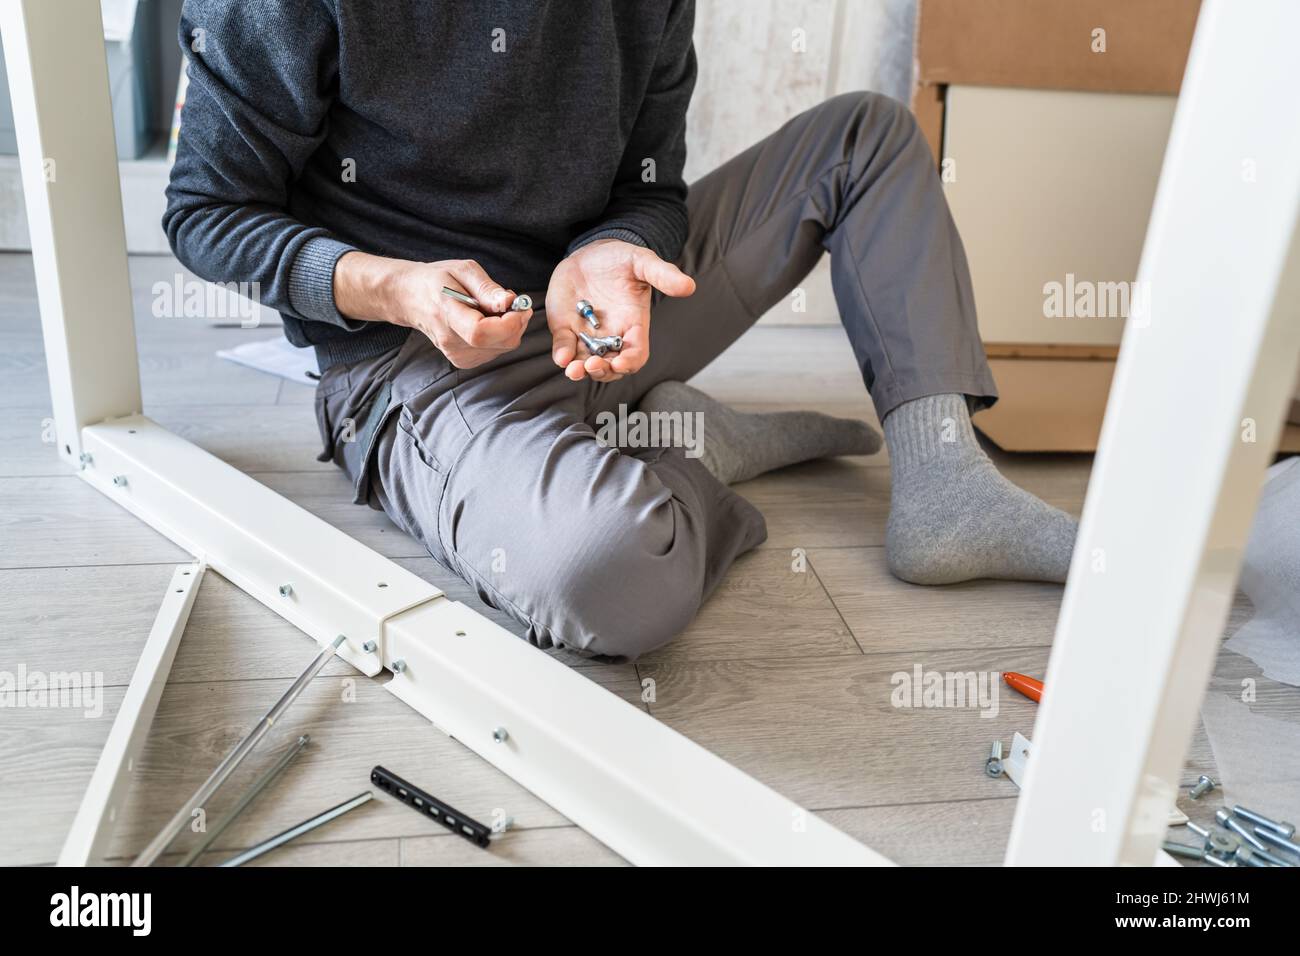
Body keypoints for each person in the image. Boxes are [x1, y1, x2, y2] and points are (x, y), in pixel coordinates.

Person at [165, 0, 1077, 660]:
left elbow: (651, 183)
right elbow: (206, 212)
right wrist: (395, 287)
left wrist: (613, 247)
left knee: (864, 138)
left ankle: (946, 488)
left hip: (592, 317)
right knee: (611, 573)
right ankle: (691, 450)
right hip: (417, 363)